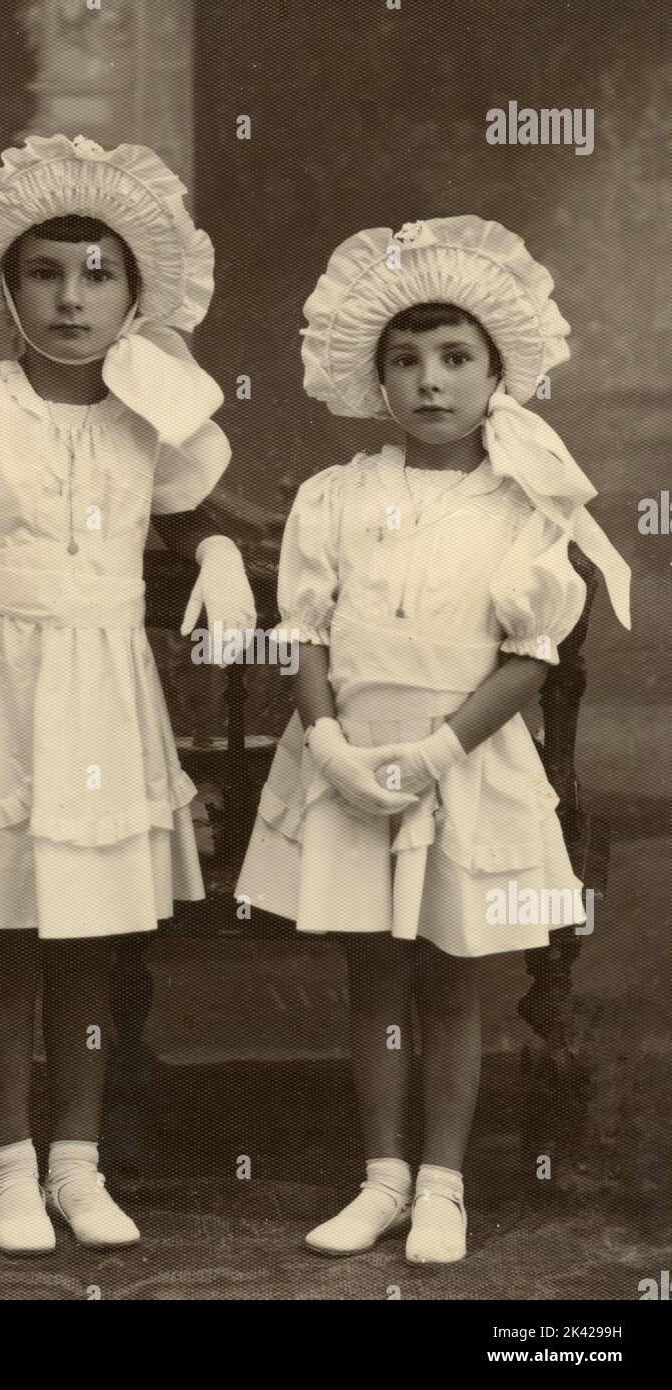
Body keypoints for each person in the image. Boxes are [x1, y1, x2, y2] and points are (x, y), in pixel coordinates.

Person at [0, 133, 256, 1255]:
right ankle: (4, 1165)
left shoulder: (150, 418)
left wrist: (219, 554)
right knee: (5, 935)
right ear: (8, 288)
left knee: (87, 936)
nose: (72, 297)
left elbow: (182, 512)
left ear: (136, 296)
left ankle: (77, 1163)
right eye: (47, 272)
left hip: (102, 689)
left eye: (99, 274)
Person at [236, 216, 631, 1263]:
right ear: (376, 379)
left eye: (456, 357)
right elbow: (309, 633)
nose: (430, 380)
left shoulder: (521, 510)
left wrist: (439, 754)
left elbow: (531, 655)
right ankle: (382, 1178)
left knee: (452, 975)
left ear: (497, 371)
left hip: (463, 761)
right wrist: (330, 746)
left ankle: (445, 1186)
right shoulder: (337, 497)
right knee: (376, 976)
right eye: (405, 360)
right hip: (353, 759)